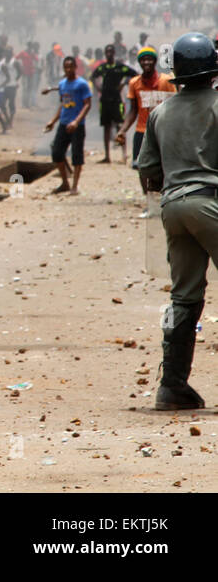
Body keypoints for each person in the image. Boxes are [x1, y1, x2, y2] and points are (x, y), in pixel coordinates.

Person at [137, 32, 218, 411]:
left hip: (173, 208)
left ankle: (172, 385)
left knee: (184, 296)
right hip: (209, 203)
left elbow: (148, 170)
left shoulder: (160, 113)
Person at [118, 48, 176, 186]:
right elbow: (133, 111)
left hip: (163, 131)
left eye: (149, 59)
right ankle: (148, 200)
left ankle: (162, 197)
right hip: (142, 131)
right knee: (141, 166)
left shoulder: (167, 81)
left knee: (165, 165)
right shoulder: (134, 83)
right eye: (143, 59)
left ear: (155, 61)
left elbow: (175, 105)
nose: (146, 62)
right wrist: (123, 130)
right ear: (139, 62)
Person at [43, 55, 92, 196]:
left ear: (76, 68)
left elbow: (88, 104)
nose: (68, 69)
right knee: (57, 153)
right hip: (64, 124)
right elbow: (63, 104)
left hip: (77, 125)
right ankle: (65, 183)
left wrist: (76, 121)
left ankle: (74, 186)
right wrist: (53, 121)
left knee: (77, 156)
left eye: (71, 66)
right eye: (66, 67)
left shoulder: (82, 84)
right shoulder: (63, 84)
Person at [90, 44, 137, 164]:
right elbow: (93, 76)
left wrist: (124, 83)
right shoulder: (103, 67)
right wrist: (98, 87)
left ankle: (124, 155)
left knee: (120, 126)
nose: (109, 54)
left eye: (111, 52)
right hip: (105, 100)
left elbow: (135, 74)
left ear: (114, 53)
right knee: (106, 127)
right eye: (107, 52)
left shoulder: (120, 67)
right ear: (105, 54)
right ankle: (107, 156)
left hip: (117, 100)